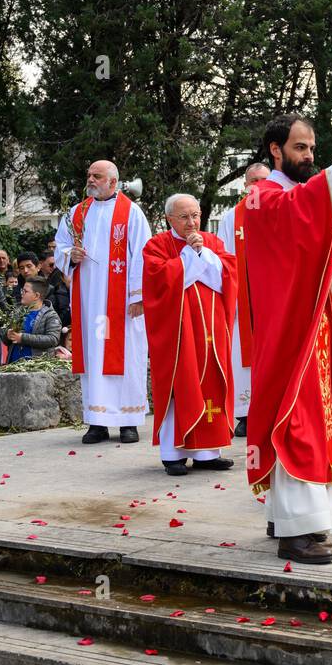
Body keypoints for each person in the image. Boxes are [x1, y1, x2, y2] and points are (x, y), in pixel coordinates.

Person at [245, 113, 332, 564]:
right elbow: (300, 214)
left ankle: (292, 519)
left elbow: (308, 233)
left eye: (313, 148)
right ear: (276, 150)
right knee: (295, 421)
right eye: (300, 148)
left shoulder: (291, 195)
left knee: (311, 420)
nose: (309, 156)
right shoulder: (262, 196)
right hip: (288, 331)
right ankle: (294, 533)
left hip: (308, 325)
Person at [54, 160, 152, 444]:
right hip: (88, 301)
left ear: (113, 181)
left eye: (97, 176)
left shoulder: (132, 213)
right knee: (94, 357)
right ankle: (96, 422)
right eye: (89, 175)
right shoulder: (76, 213)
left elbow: (143, 256)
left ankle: (128, 420)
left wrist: (138, 296)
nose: (91, 180)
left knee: (127, 357)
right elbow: (60, 245)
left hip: (122, 304)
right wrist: (69, 254)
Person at [143, 193, 237, 475]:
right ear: (169, 218)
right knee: (180, 383)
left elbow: (228, 275)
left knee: (211, 383)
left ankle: (208, 453)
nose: (192, 222)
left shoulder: (212, 243)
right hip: (178, 332)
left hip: (212, 329)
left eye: (195, 215)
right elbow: (159, 283)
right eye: (184, 217)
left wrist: (203, 254)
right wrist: (189, 256)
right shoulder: (157, 245)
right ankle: (173, 454)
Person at [216, 161, 272, 439]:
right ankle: (246, 414)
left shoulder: (280, 211)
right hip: (244, 299)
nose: (259, 185)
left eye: (264, 179)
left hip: (274, 298)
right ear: (246, 186)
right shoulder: (231, 218)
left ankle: (274, 409)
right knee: (242, 354)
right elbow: (223, 258)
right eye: (254, 181)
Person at [5, 276, 63, 363]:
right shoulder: (17, 311)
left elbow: (53, 339)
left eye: (25, 291)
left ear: (36, 296)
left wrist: (22, 338)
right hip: (13, 364)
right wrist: (8, 335)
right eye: (22, 290)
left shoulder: (50, 315)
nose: (22, 293)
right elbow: (7, 338)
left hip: (36, 367)